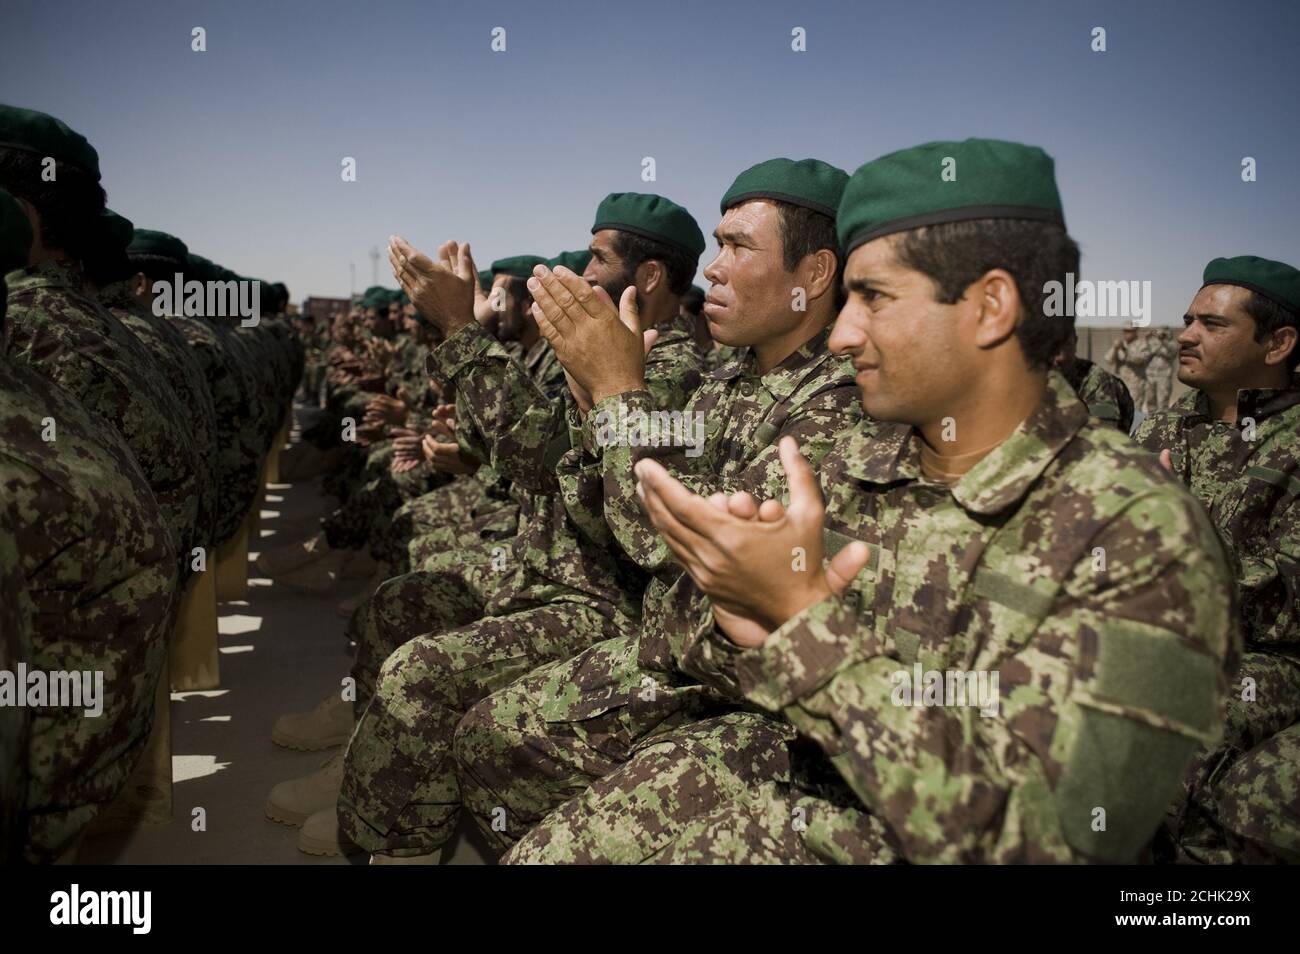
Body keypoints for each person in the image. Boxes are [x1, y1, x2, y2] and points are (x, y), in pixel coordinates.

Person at [1136, 254, 1300, 863]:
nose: (1184, 335)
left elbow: (1287, 613)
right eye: (1187, 320)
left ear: (1278, 342)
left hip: (1265, 657)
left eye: (1212, 324)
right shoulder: (1167, 429)